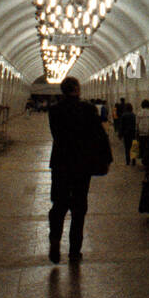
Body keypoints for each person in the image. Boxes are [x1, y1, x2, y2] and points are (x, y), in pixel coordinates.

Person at [48, 77, 110, 262]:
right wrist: (106, 159)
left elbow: (56, 135)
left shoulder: (54, 110)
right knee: (79, 208)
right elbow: (100, 135)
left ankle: (55, 239)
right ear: (76, 89)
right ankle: (75, 251)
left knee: (59, 204)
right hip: (82, 164)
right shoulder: (88, 109)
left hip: (60, 163)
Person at [118, 100, 137, 166]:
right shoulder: (134, 115)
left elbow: (121, 126)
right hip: (133, 133)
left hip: (126, 134)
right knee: (134, 147)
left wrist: (120, 134)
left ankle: (128, 161)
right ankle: (134, 160)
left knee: (127, 147)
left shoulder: (123, 115)